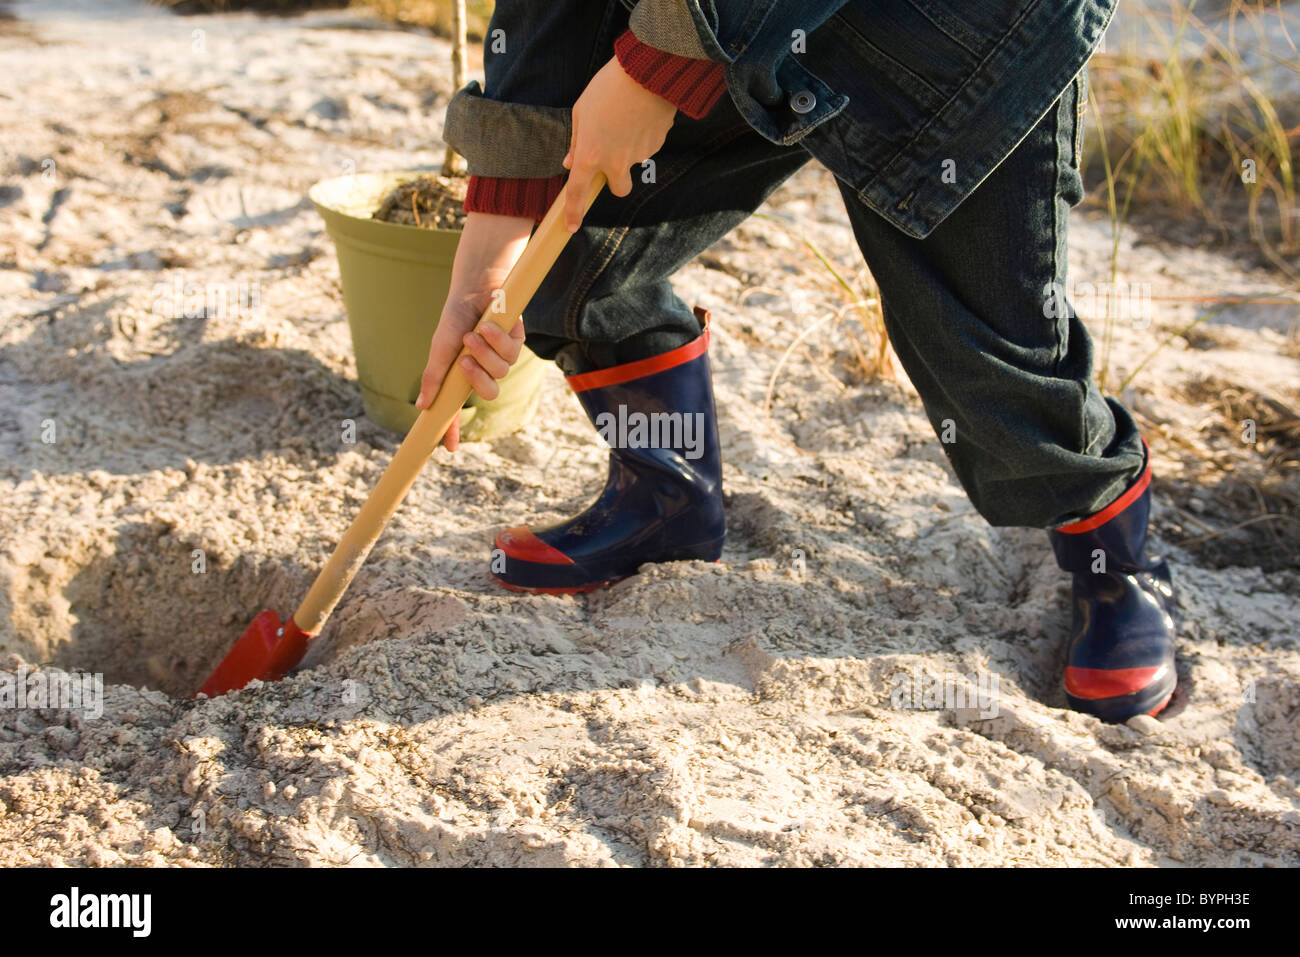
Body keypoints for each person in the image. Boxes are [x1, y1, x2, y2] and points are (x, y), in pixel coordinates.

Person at [415, 0, 1176, 723]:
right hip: (723, 27)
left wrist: (656, 65)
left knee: (992, 360)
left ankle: (1116, 564)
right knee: (567, 247)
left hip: (955, 39)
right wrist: (490, 254)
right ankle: (664, 499)